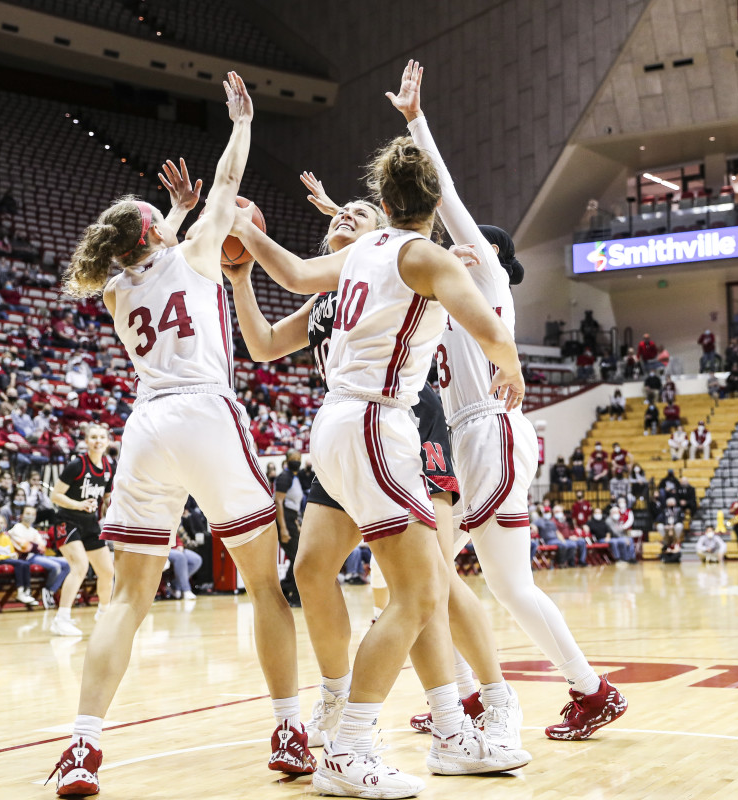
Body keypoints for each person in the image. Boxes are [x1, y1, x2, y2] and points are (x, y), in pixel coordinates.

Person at [229, 63, 533, 793]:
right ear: (432, 200)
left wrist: (244, 235)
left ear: (380, 200)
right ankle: (351, 746)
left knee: (423, 586)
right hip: (375, 422)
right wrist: (512, 363)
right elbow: (489, 323)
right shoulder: (421, 253)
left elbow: (299, 275)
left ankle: (452, 733)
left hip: (342, 426)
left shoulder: (361, 251)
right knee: (418, 597)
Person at [49, 76, 316, 797]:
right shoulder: (199, 252)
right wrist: (241, 123)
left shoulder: (115, 289)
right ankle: (290, 727)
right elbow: (229, 180)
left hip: (146, 426)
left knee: (125, 600)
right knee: (265, 582)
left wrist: (171, 211)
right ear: (162, 233)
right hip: (204, 412)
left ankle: (81, 747)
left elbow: (143, 253)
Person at [388, 59, 622, 739]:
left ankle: (487, 694)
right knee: (493, 584)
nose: (450, 245)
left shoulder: (484, 271)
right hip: (479, 431)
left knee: (450, 572)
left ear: (486, 254)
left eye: (463, 242)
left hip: (489, 428)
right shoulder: (444, 292)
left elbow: (449, 195)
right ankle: (571, 689)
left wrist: (416, 122)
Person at [48, 425, 116, 637]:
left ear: (107, 441)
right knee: (80, 565)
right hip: (67, 521)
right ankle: (61, 619)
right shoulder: (77, 465)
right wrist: (78, 505)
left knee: (107, 571)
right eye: (93, 437)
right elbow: (55, 496)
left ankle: (104, 614)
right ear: (86, 441)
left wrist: (112, 506)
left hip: (90, 524)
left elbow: (105, 497)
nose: (98, 441)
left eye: (102, 437)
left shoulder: (108, 466)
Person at [8, 505, 69, 608]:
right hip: (26, 558)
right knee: (56, 566)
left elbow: (43, 548)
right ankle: (48, 590)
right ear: (22, 515)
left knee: (67, 564)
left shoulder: (34, 531)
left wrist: (33, 545)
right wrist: (34, 546)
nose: (30, 516)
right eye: (28, 514)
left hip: (39, 556)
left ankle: (50, 590)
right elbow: (25, 548)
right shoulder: (16, 529)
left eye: (33, 514)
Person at [0, 513, 38, 607]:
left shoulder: (6, 537)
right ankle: (20, 592)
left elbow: (12, 552)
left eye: (1, 523)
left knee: (25, 563)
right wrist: (6, 556)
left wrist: (13, 555)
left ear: (5, 524)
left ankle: (27, 591)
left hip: (7, 559)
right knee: (20, 564)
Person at [273, 448, 304, 606]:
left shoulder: (295, 477)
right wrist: (283, 528)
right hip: (284, 521)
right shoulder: (285, 477)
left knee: (297, 558)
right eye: (294, 458)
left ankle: (285, 589)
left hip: (292, 521)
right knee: (299, 559)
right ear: (287, 460)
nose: (297, 460)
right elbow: (279, 502)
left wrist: (297, 524)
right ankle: (294, 596)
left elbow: (295, 505)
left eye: (299, 458)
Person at [167, 529, 202, 600]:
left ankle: (175, 585)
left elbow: (176, 536)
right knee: (180, 557)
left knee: (196, 560)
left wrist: (180, 545)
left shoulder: (172, 520)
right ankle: (186, 590)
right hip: (164, 548)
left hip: (176, 548)